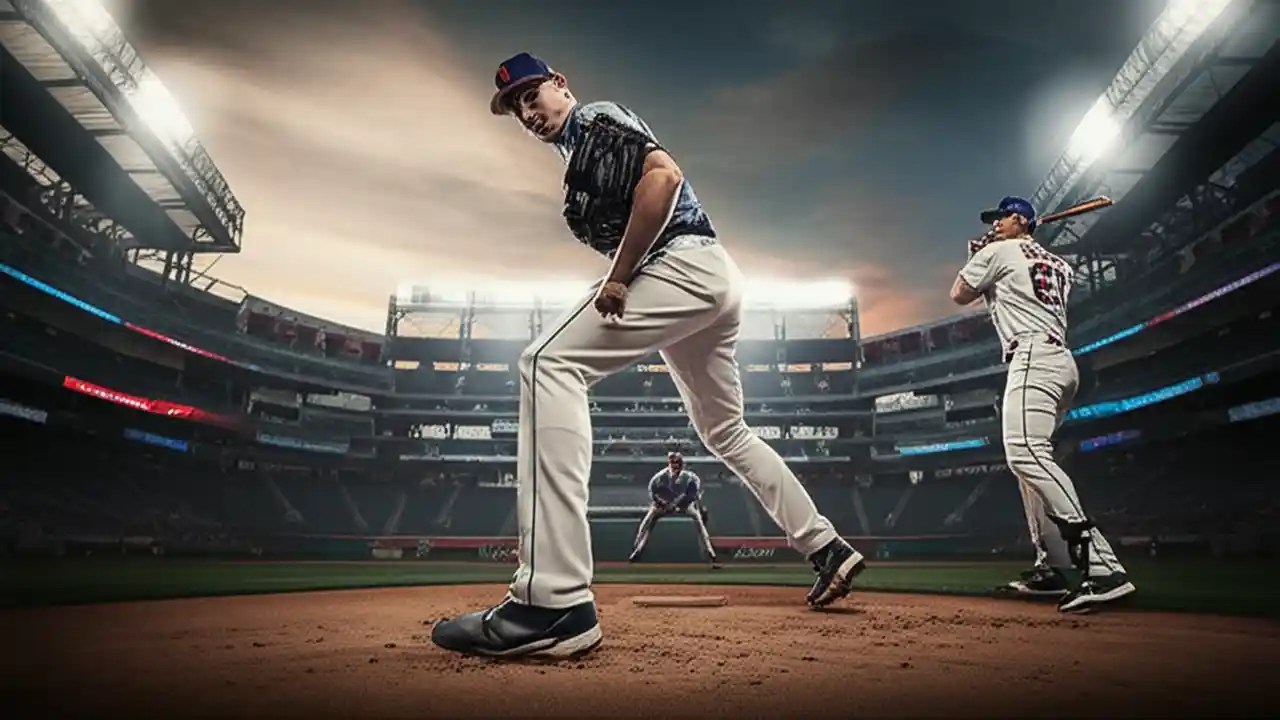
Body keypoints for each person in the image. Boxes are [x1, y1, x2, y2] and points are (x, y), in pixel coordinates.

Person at [430, 52, 866, 659]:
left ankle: (552, 600)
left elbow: (663, 178)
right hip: (709, 276)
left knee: (546, 363)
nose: (528, 111)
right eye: (516, 106)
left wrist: (618, 277)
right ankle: (826, 546)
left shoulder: (597, 120)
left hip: (680, 264)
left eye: (534, 94)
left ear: (561, 85)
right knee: (723, 430)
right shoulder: (575, 163)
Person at [949, 195, 1136, 613]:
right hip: (1061, 364)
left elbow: (959, 293)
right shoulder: (1059, 264)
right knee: (1028, 464)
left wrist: (977, 256)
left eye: (1001, 218)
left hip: (1032, 357)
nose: (994, 225)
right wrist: (990, 254)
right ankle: (1052, 567)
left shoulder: (999, 250)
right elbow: (1008, 293)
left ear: (1020, 219)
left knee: (1025, 453)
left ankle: (1103, 568)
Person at [628, 452, 719, 568]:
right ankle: (637, 549)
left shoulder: (690, 477)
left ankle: (710, 553)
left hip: (683, 505)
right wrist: (662, 503)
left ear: (682, 464)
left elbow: (692, 495)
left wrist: (679, 503)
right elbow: (652, 492)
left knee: (698, 520)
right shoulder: (660, 477)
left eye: (678, 463)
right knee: (648, 521)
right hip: (663, 504)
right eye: (673, 462)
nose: (675, 465)